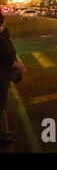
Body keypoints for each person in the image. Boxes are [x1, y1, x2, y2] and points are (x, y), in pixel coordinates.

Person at [0, 12, 24, 142]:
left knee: (2, 105)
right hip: (2, 75)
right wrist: (14, 63)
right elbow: (5, 54)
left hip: (4, 74)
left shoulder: (3, 34)